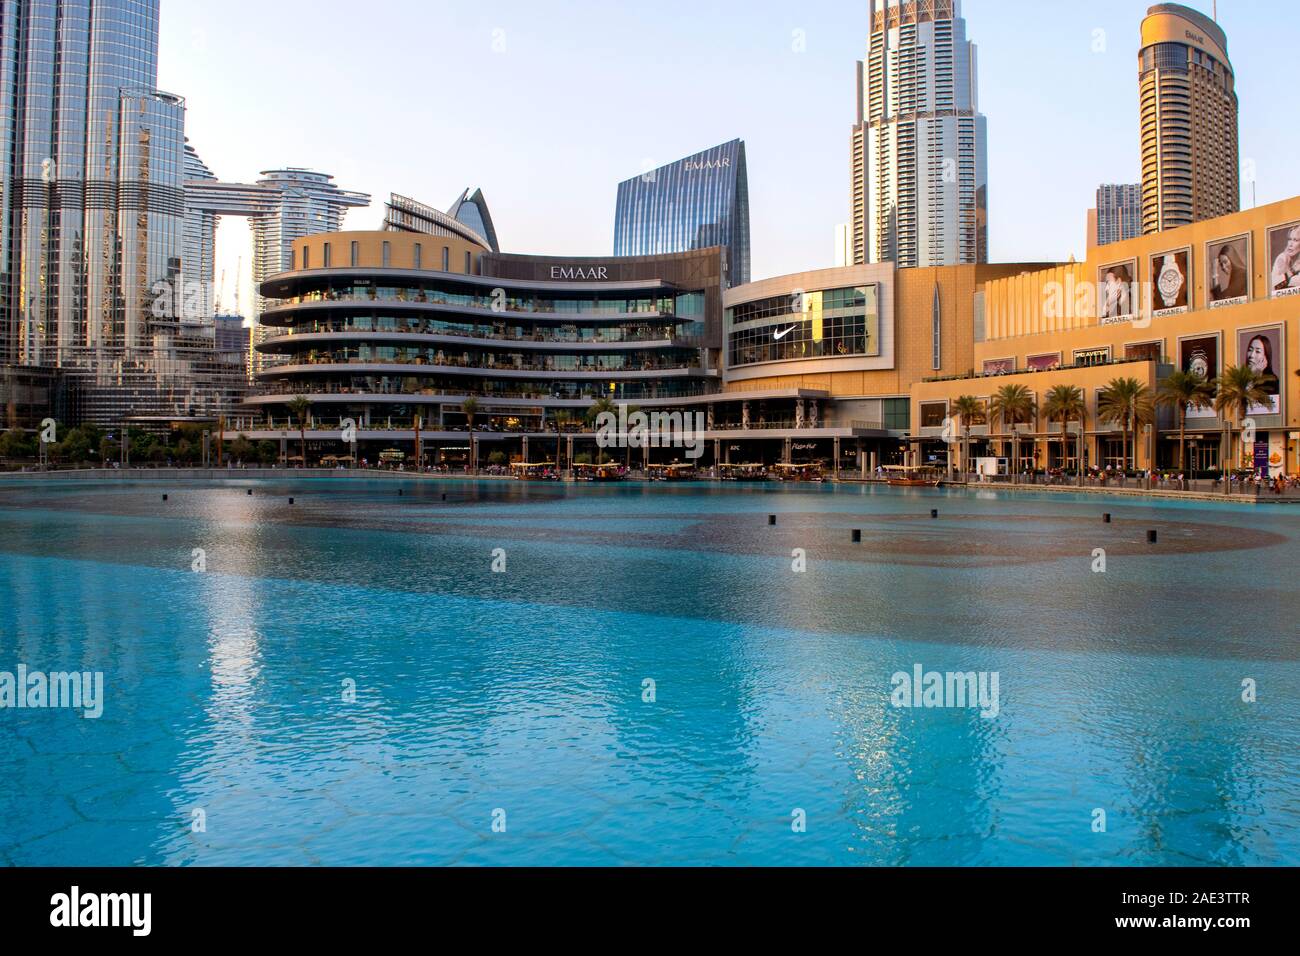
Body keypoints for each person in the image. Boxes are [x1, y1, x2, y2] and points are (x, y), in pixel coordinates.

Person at [1271, 226, 1300, 293]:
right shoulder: (1282, 257)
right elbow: (1272, 286)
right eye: (1289, 239)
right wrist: (1293, 270)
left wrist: (1284, 279)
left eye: (1295, 240)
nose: (1290, 244)